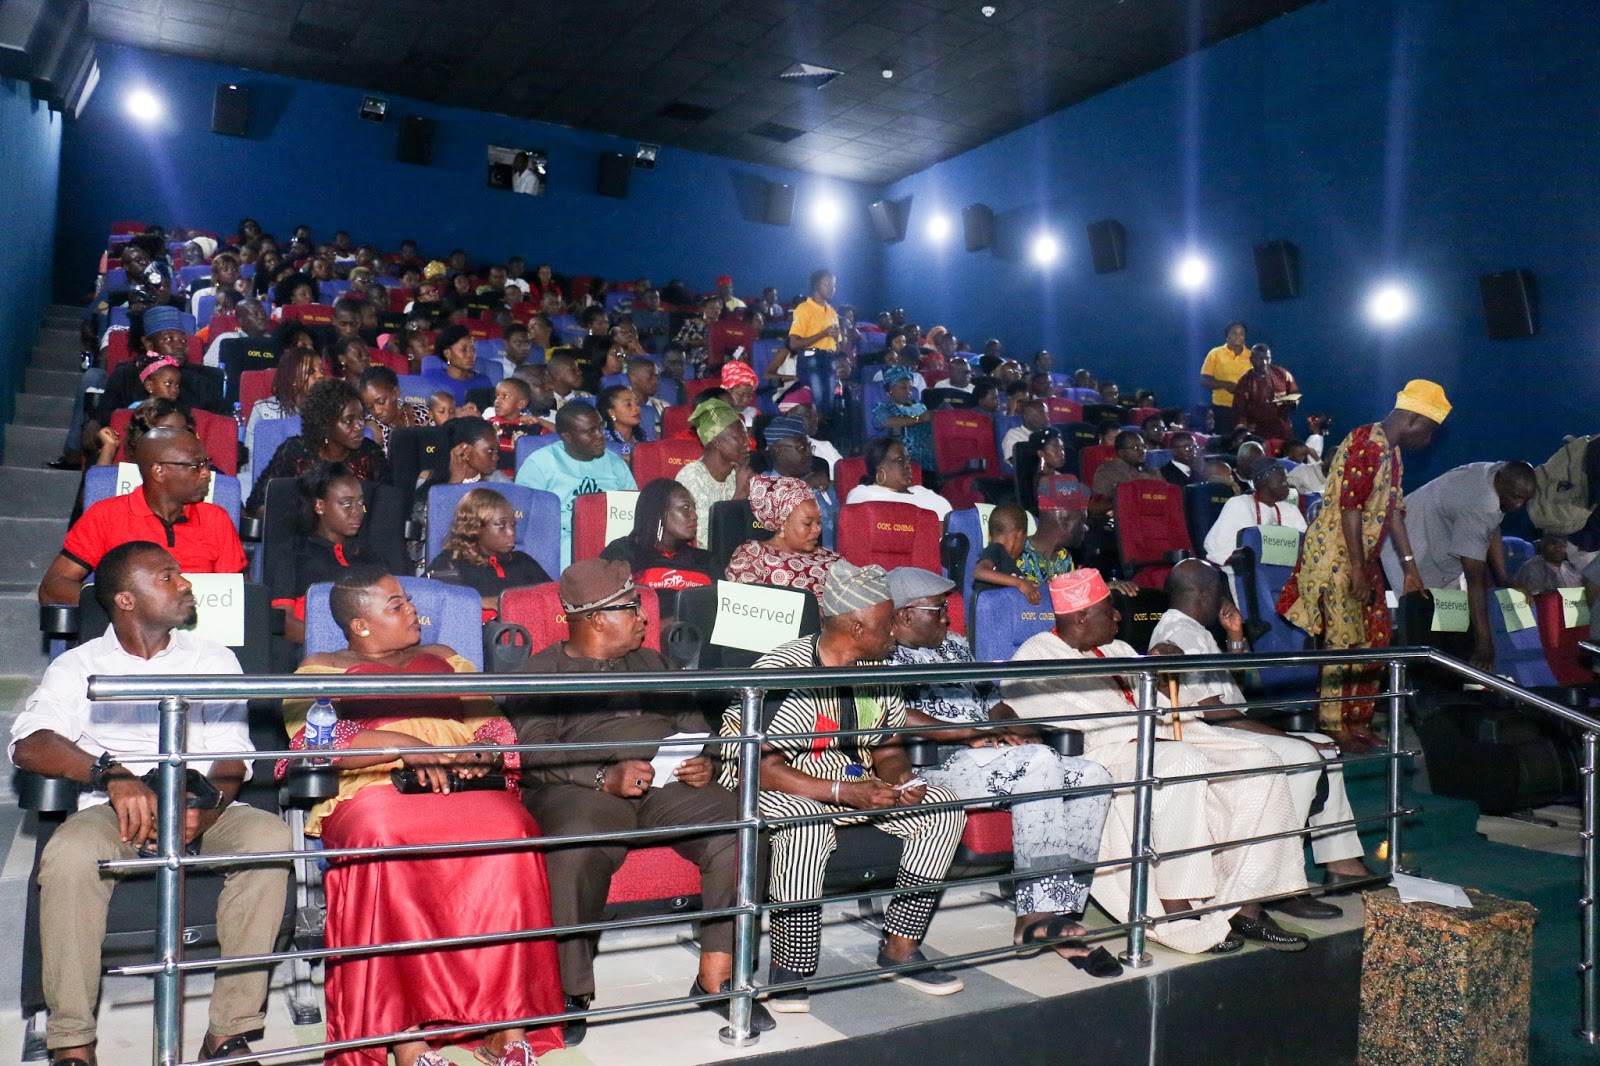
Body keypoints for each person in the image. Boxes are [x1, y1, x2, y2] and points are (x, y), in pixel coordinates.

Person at [13, 542, 291, 1064]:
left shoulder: (212, 658)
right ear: (126, 599)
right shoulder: (80, 664)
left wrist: (205, 811)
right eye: (168, 577)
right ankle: (72, 1041)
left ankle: (228, 1033)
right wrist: (110, 772)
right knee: (68, 855)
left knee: (270, 839)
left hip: (203, 801)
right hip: (113, 808)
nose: (185, 584)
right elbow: (29, 741)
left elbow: (232, 757)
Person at [283, 568, 564, 1066]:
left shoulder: (446, 660)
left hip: (464, 784)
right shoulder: (321, 669)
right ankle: (405, 1035)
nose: (414, 611)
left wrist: (482, 756)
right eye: (397, 605)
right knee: (385, 835)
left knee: (513, 830)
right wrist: (406, 747)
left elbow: (496, 730)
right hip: (373, 785)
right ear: (361, 624)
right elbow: (316, 747)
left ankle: (505, 1025)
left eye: (408, 601)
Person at [507, 559, 769, 1042]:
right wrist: (604, 776)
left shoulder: (654, 663)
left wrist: (703, 760)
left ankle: (719, 974)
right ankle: (570, 991)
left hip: (667, 785)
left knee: (743, 823)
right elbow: (535, 752)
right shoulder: (541, 670)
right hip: (580, 791)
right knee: (574, 843)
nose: (646, 618)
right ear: (597, 618)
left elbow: (696, 725)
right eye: (633, 609)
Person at [1004, 568, 1312, 954]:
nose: (1118, 617)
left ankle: (1245, 903)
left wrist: (1162, 662)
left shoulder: (1116, 649)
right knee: (1179, 762)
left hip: (1158, 736)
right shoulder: (1037, 652)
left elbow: (1155, 693)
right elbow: (1024, 707)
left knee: (1259, 761)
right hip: (1104, 751)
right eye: (1109, 611)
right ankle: (1175, 907)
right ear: (1081, 617)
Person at [719, 561, 966, 1010]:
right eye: (886, 621)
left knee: (942, 806)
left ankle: (901, 948)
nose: (896, 629)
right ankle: (789, 969)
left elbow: (888, 747)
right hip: (763, 779)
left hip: (848, 776)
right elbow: (762, 762)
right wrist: (841, 793)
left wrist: (901, 781)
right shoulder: (786, 669)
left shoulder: (880, 667)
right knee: (807, 821)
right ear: (855, 627)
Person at [887, 568, 1121, 974]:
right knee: (1039, 764)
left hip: (995, 755)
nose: (948, 617)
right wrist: (970, 732)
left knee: (1093, 775)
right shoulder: (884, 652)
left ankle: (1058, 909)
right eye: (939, 609)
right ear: (906, 615)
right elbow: (893, 716)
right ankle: (1033, 917)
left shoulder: (957, 645)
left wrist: (1015, 729)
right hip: (937, 763)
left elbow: (994, 702)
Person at [1149, 560, 1374, 900]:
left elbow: (1230, 690)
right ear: (1207, 593)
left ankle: (1341, 862)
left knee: (1323, 744)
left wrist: (1235, 637)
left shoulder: (1194, 628)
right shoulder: (1180, 633)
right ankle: (1275, 878)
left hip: (1227, 728)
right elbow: (1214, 712)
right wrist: (1289, 738)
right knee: (1302, 754)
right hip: (1208, 737)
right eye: (1221, 591)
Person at [1278, 380, 1451, 751]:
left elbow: (1395, 512)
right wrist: (1357, 568)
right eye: (1431, 431)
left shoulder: (1394, 452)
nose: (1430, 440)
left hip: (1363, 558)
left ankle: (1357, 720)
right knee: (1343, 641)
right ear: (1414, 419)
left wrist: (1409, 566)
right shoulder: (1363, 443)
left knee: (1375, 638)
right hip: (1336, 558)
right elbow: (1350, 508)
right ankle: (1332, 724)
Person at [40, 428, 247, 606]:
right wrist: (124, 603)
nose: (206, 473)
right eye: (196, 466)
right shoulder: (106, 516)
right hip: (125, 642)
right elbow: (52, 587)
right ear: (159, 471)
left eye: (206, 463)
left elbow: (238, 596)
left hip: (200, 642)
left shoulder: (216, 518)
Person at [1378, 460, 1537, 671]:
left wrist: (1504, 578)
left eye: (1524, 499)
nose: (1519, 506)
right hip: (1408, 550)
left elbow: (1492, 526)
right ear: (1499, 481)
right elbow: (1475, 579)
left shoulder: (1497, 477)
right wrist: (1484, 644)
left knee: (1452, 625)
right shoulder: (1480, 503)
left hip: (1440, 551)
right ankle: (1411, 688)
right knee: (1420, 623)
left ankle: (1447, 687)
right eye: (1516, 498)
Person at [515, 401, 635, 569]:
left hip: (613, 543)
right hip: (563, 543)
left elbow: (632, 511)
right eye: (591, 431)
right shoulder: (540, 464)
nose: (601, 435)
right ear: (567, 437)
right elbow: (527, 521)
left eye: (601, 427)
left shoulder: (616, 464)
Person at [246, 379, 390, 512]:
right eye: (348, 420)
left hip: (357, 536)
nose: (359, 426)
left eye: (361, 418)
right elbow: (256, 504)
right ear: (325, 423)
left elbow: (388, 508)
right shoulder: (295, 453)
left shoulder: (370, 453)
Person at [268, 462, 371, 643]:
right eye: (346, 503)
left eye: (360, 502)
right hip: (313, 654)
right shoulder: (293, 553)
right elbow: (282, 622)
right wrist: (338, 644)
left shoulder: (369, 555)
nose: (357, 511)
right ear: (319, 506)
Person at [427, 487, 551, 614]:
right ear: (475, 528)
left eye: (513, 525)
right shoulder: (451, 563)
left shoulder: (523, 562)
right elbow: (428, 600)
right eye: (501, 525)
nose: (511, 532)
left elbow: (553, 600)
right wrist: (479, 602)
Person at [725, 475, 842, 598]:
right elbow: (743, 601)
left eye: (818, 522)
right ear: (782, 523)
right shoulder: (754, 554)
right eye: (807, 523)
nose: (817, 530)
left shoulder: (830, 558)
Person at [600, 477, 717, 589]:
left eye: (694, 508)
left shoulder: (705, 560)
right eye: (685, 507)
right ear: (659, 512)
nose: (694, 516)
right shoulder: (623, 553)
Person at [1202, 456, 1308, 568]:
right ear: (1264, 481)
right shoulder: (1240, 504)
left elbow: (1306, 545)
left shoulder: (1290, 509)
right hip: (1245, 576)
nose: (1287, 484)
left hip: (1288, 576)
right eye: (1282, 479)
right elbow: (1219, 548)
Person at [676, 399, 751, 548]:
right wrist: (740, 496)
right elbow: (705, 543)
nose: (747, 443)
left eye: (746, 436)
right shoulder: (692, 478)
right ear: (717, 441)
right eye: (739, 437)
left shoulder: (737, 473)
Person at [244, 342, 326, 459]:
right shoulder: (265, 411)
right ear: (292, 379)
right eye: (310, 372)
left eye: (322, 371)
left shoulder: (333, 410)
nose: (320, 376)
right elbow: (254, 461)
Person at [845, 437, 952, 522]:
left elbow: (951, 522)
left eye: (908, 460)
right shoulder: (863, 494)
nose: (908, 465)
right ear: (879, 467)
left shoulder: (923, 493)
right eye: (899, 460)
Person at [786, 269, 840, 417]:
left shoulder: (832, 313)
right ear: (816, 285)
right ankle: (810, 438)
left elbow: (837, 347)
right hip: (811, 360)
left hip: (829, 360)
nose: (831, 289)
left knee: (828, 405)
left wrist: (835, 338)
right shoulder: (804, 309)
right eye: (827, 284)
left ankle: (822, 437)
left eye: (833, 285)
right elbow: (794, 344)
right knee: (815, 405)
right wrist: (823, 334)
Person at [1231, 344, 1300, 440]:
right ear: (1251, 360)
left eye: (1267, 358)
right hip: (1257, 434)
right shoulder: (1244, 382)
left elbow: (1295, 394)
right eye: (1259, 359)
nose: (1264, 362)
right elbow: (1239, 411)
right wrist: (1243, 430)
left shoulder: (1282, 375)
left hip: (1282, 431)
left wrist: (1292, 403)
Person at [871, 367, 935, 470]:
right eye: (903, 387)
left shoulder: (920, 406)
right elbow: (887, 421)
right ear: (891, 388)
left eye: (910, 388)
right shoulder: (883, 408)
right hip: (903, 459)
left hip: (929, 457)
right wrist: (920, 419)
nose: (908, 392)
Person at [357, 365, 429, 454]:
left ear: (395, 392)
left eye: (381, 402)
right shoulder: (375, 430)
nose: (377, 411)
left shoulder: (424, 414)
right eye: (369, 407)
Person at [1091, 430, 1163, 517]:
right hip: (1123, 519)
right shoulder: (1108, 471)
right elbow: (1096, 506)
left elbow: (1164, 499)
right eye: (1136, 448)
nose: (1142, 451)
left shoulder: (1153, 471)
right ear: (1121, 452)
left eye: (1143, 447)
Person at [424, 324, 495, 406]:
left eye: (473, 349)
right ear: (447, 354)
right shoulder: (432, 378)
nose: (470, 355)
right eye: (463, 350)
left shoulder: (483, 382)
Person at [1200, 321, 1252, 433]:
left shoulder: (1252, 355)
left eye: (1241, 333)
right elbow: (1204, 380)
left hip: (1246, 409)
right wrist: (1225, 385)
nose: (1238, 336)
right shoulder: (1215, 354)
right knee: (1225, 444)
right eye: (1234, 333)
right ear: (1227, 335)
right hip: (1222, 409)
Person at [1516, 533, 1582, 597]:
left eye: (1562, 545)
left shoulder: (1570, 567)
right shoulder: (1532, 567)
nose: (1558, 549)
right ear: (1543, 545)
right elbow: (1535, 598)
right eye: (1553, 543)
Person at [596, 383, 646, 463]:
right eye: (628, 404)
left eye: (636, 403)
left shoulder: (643, 437)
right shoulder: (605, 443)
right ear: (611, 412)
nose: (636, 408)